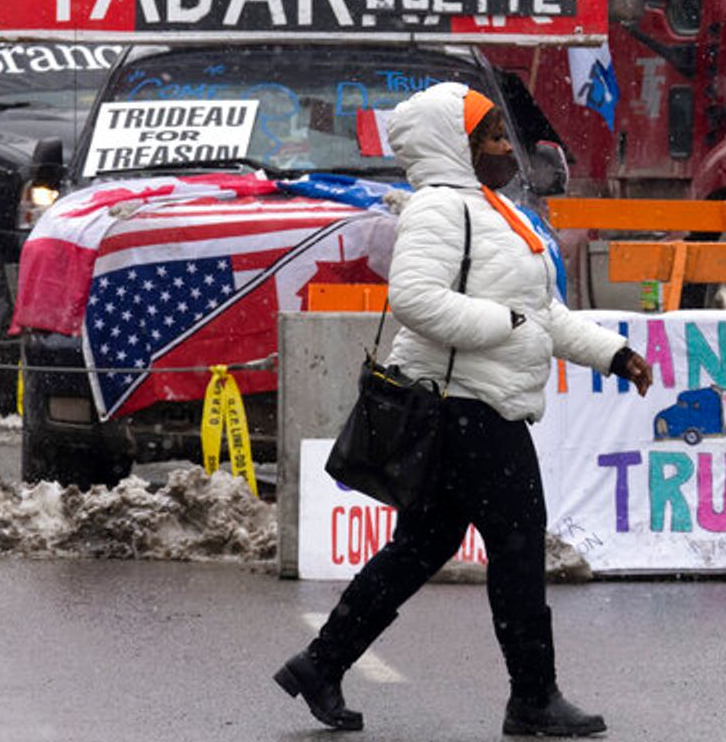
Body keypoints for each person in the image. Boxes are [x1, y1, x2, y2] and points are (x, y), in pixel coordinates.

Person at [276, 82, 651, 737]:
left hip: (478, 404)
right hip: (465, 407)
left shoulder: (494, 213)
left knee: (422, 546)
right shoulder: (442, 210)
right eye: (494, 141)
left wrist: (613, 355)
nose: (508, 151)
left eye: (504, 139)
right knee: (516, 544)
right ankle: (532, 698)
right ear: (459, 148)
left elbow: (544, 315)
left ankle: (321, 662)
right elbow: (416, 298)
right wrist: (501, 321)